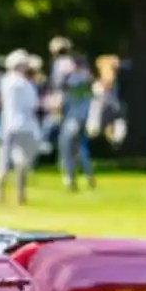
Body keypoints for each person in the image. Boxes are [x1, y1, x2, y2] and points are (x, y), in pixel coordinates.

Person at [0, 49, 41, 205]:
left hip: (7, 124)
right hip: (24, 125)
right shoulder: (25, 84)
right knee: (22, 162)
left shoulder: (6, 81)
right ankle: (20, 193)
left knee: (3, 159)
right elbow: (33, 105)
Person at [57, 55, 96, 191]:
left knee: (67, 146)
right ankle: (88, 175)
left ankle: (70, 178)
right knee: (80, 147)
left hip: (74, 118)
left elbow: (65, 86)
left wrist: (65, 74)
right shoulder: (87, 78)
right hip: (80, 118)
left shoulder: (78, 77)